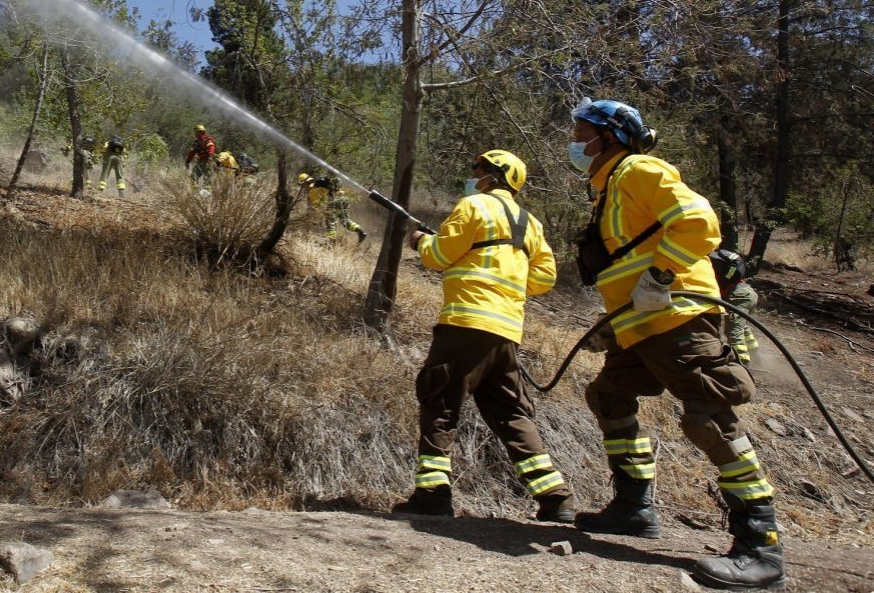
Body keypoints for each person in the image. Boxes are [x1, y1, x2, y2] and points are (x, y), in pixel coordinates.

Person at [568, 98, 783, 590]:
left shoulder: (639, 168)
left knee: (708, 416)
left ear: (612, 136)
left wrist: (662, 274)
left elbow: (699, 222)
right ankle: (633, 507)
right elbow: (629, 259)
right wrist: (614, 319)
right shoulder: (607, 188)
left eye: (583, 131)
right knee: (608, 395)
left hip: (676, 317)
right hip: (640, 323)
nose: (575, 142)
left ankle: (761, 545)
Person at [393, 150, 575, 523]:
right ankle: (556, 499)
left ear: (496, 176)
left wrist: (421, 242)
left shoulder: (473, 205)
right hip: (506, 333)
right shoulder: (531, 223)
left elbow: (440, 254)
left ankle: (432, 494)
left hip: (464, 324)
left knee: (439, 402)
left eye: (478, 169)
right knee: (510, 413)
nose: (473, 174)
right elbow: (544, 279)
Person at [710, 249, 760, 367]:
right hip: (748, 292)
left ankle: (743, 366)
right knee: (743, 328)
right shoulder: (718, 259)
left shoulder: (707, 263)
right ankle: (756, 359)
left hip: (737, 296)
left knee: (734, 332)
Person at [298, 173, 366, 242]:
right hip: (344, 198)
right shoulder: (321, 185)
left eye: (302, 185)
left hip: (335, 201)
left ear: (305, 183)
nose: (302, 187)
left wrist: (315, 219)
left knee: (329, 221)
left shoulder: (313, 191)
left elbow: (317, 207)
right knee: (345, 220)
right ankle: (360, 231)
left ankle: (332, 241)